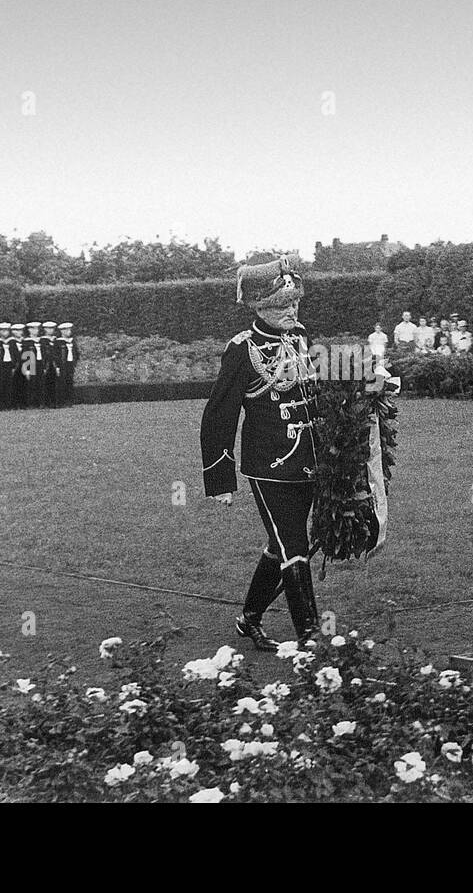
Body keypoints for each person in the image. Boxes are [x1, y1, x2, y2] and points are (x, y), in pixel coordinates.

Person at [201, 254, 320, 651]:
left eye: (294, 303)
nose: (292, 310)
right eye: (283, 305)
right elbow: (220, 413)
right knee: (294, 547)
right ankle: (311, 640)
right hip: (268, 467)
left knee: (280, 546)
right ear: (260, 305)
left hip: (308, 462)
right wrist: (220, 479)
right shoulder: (241, 349)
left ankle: (249, 619)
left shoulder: (300, 338)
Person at [0, 323, 19, 411]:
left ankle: (8, 405)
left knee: (9, 385)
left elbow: (16, 355)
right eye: (2, 330)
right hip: (0, 366)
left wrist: (14, 366)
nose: (5, 332)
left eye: (6, 330)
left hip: (9, 365)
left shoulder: (12, 342)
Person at [55, 322, 79, 407]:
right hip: (62, 365)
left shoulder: (72, 341)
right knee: (62, 383)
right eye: (67, 330)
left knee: (70, 382)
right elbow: (55, 355)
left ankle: (70, 401)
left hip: (70, 365)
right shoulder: (58, 342)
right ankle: (61, 402)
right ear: (62, 331)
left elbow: (76, 353)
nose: (69, 331)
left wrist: (75, 362)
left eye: (70, 329)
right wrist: (57, 366)